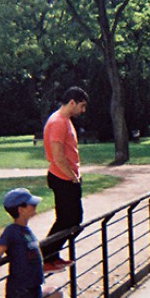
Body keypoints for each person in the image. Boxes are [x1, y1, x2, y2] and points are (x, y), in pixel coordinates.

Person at [42, 86, 88, 272]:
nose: (83, 111)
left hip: (67, 178)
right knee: (68, 220)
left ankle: (51, 255)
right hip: (62, 178)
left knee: (70, 220)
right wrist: (72, 178)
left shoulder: (65, 120)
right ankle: (44, 255)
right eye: (82, 106)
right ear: (72, 102)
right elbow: (58, 156)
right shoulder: (58, 122)